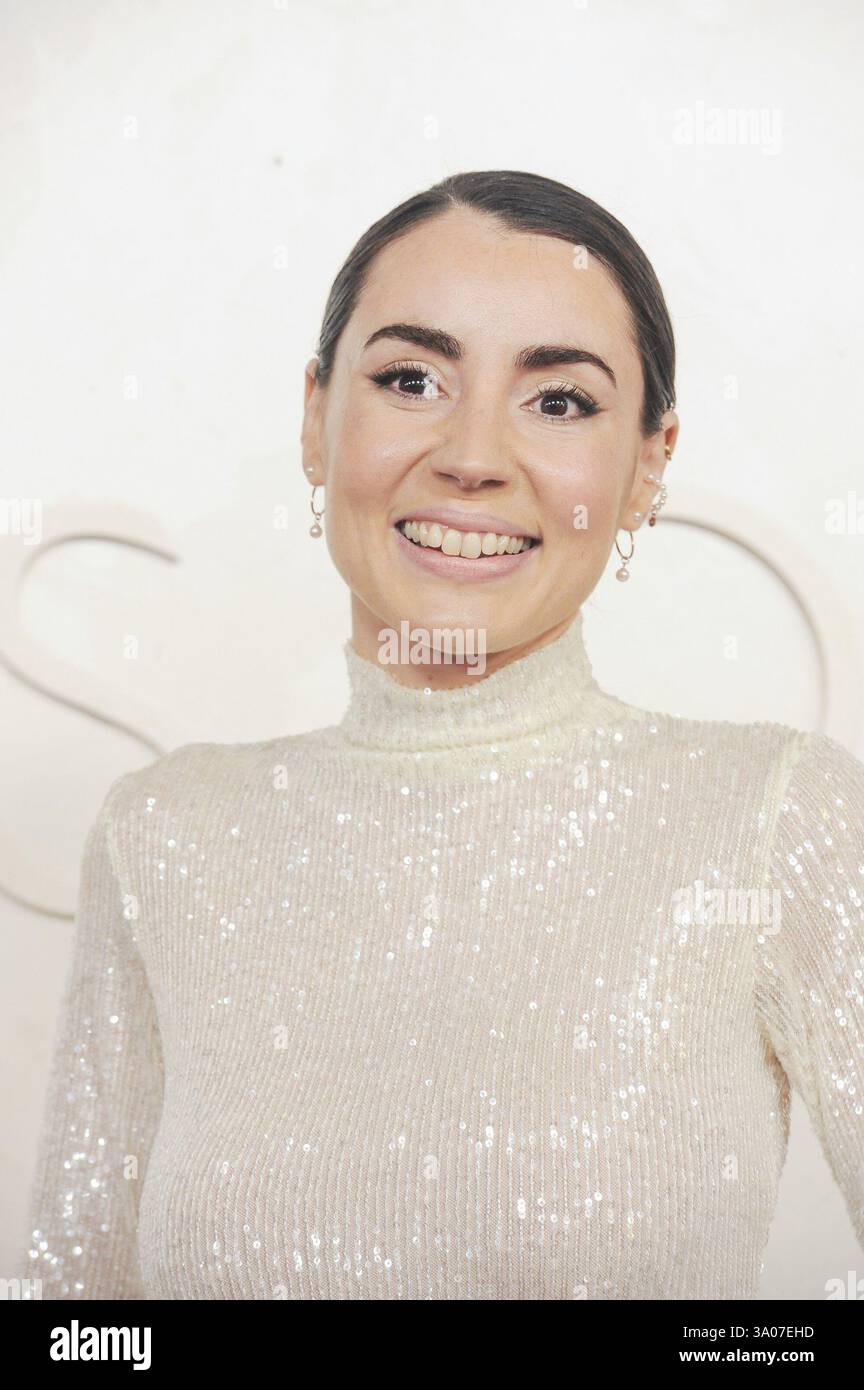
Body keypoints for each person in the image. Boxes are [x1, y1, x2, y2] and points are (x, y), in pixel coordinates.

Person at [19, 170, 864, 1300]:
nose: (473, 454)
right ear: (316, 418)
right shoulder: (163, 831)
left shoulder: (775, 816)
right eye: (410, 379)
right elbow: (77, 1325)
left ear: (648, 466)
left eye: (559, 400)